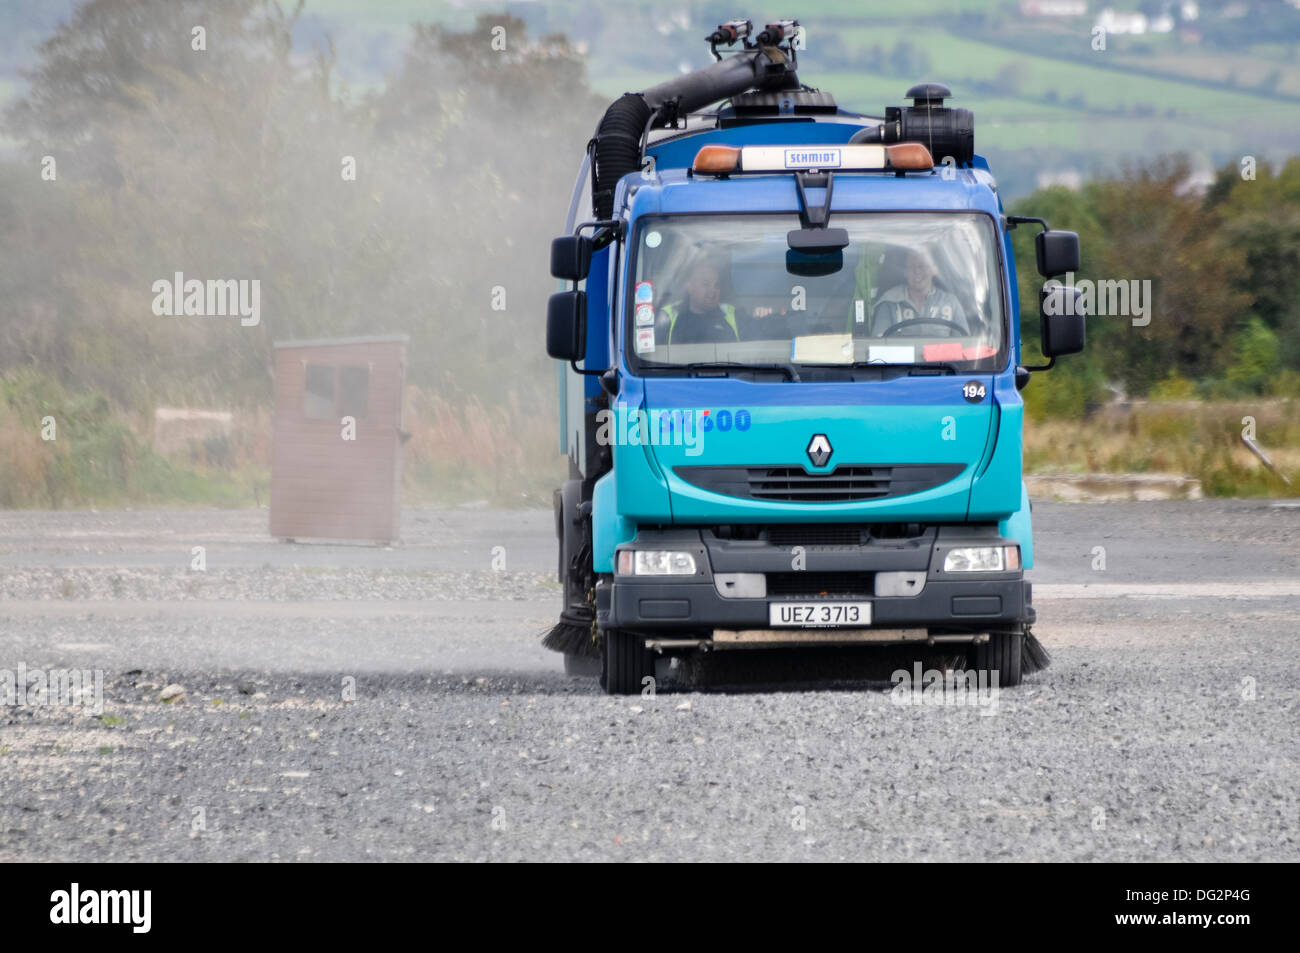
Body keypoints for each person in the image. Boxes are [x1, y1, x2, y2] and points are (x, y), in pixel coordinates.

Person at [871, 247, 970, 337]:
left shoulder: (951, 302)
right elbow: (878, 342)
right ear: (905, 272)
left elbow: (965, 343)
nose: (917, 271)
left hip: (943, 357)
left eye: (922, 266)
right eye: (911, 267)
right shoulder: (889, 302)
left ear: (934, 269)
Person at [659, 257, 740, 345]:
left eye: (716, 285)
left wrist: (757, 314)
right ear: (689, 287)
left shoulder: (732, 314)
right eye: (706, 284)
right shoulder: (666, 317)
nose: (712, 291)